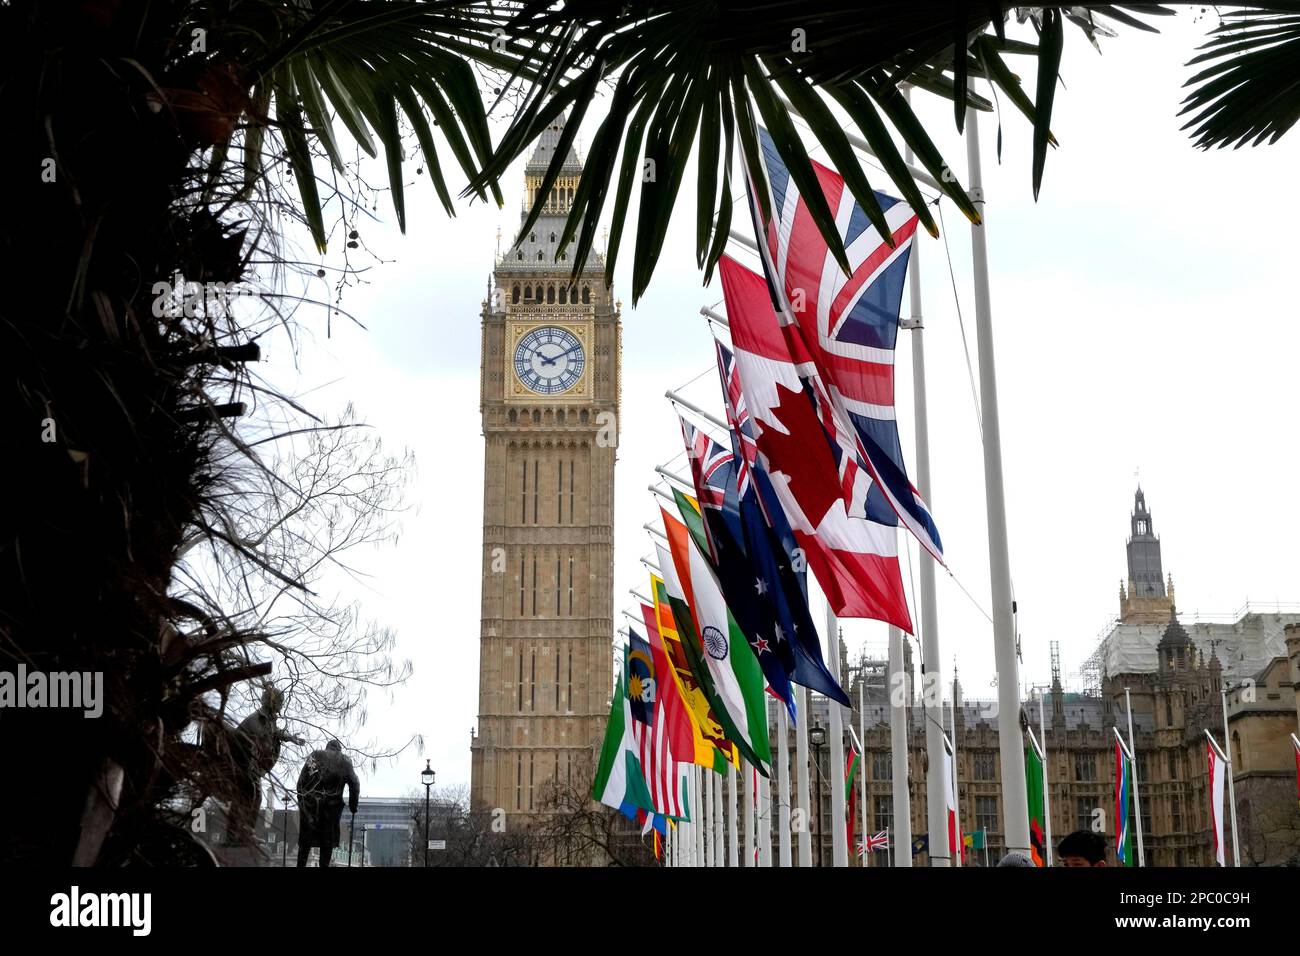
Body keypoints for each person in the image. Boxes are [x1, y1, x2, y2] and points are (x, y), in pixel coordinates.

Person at [295, 740, 360, 867]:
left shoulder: (315, 755)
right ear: (339, 749)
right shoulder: (345, 761)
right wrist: (353, 806)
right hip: (331, 810)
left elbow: (301, 782)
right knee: (327, 844)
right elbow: (355, 783)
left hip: (311, 807)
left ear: (327, 747)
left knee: (305, 842)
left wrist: (303, 801)